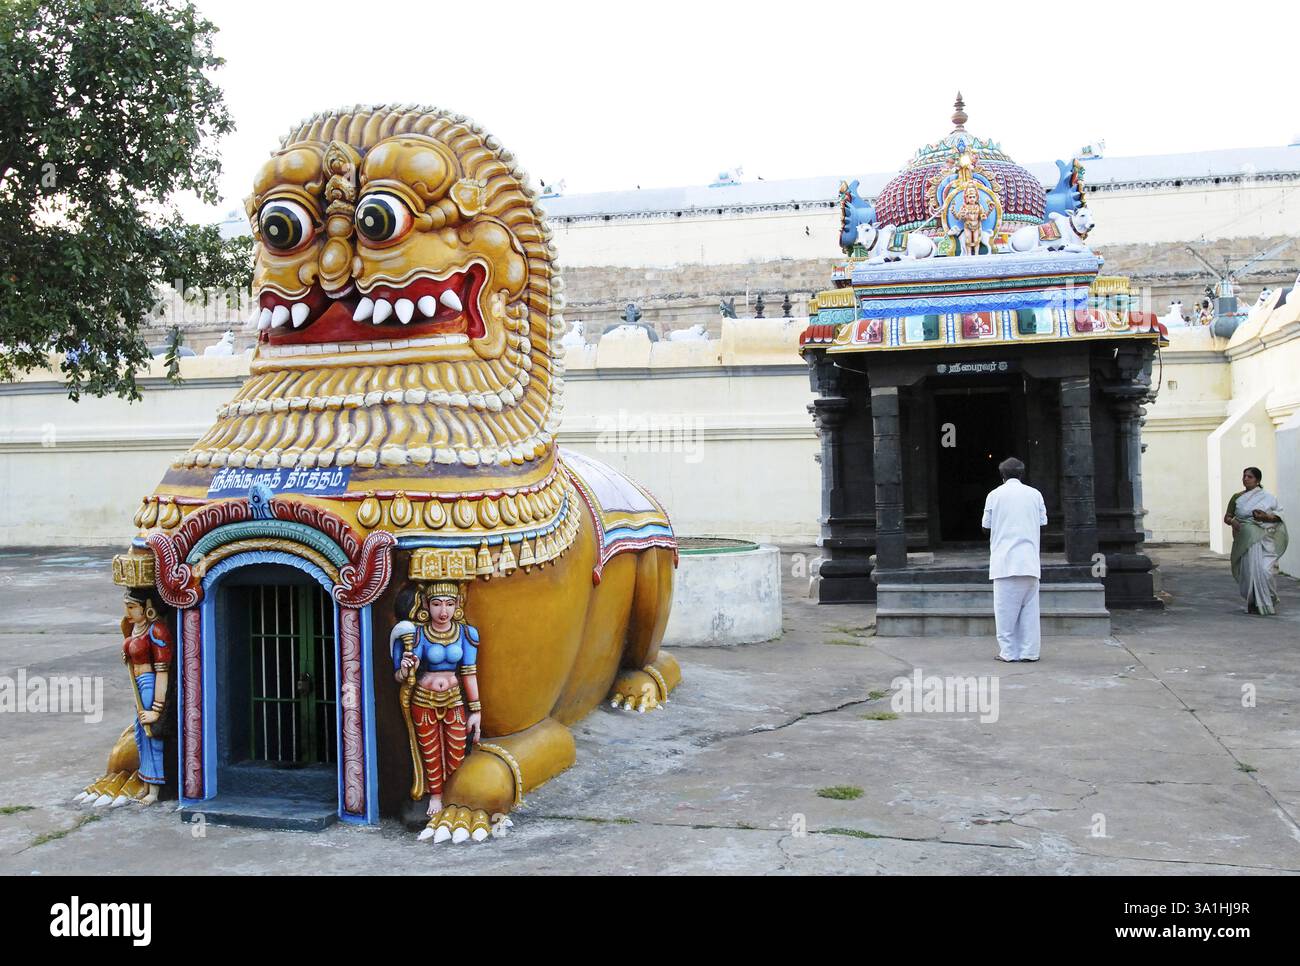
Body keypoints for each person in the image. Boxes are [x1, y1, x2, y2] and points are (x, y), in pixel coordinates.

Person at [391, 581, 482, 831]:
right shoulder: (419, 635)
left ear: (457, 605)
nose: (443, 611)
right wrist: (406, 668)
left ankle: (452, 793)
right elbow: (400, 676)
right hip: (424, 698)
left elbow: (469, 673)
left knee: (455, 750)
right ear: (426, 606)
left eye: (450, 604)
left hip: (453, 698)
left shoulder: (466, 634)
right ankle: (436, 796)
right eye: (437, 604)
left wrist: (476, 710)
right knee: (429, 750)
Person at [981, 457, 1048, 662]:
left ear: (1002, 476)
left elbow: (986, 527)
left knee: (1005, 613)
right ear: (1022, 474)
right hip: (1029, 561)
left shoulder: (994, 495)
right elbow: (1043, 524)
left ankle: (1008, 652)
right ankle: (1030, 652)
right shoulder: (1035, 494)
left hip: (1005, 562)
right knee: (1030, 612)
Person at [121, 589, 173, 803]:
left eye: (132, 607)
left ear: (147, 608)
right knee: (140, 736)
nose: (128, 612)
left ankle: (156, 789)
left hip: (150, 684)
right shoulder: (134, 628)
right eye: (127, 606)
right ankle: (146, 780)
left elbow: (162, 671)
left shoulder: (157, 630)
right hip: (138, 684)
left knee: (152, 734)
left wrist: (156, 710)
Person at [1223, 467, 1289, 615]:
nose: (1245, 479)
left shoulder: (1268, 497)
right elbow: (1227, 517)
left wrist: (1265, 517)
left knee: (1266, 571)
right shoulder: (1236, 497)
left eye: (1250, 477)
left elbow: (1279, 515)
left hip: (1264, 540)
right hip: (1246, 540)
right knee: (1249, 572)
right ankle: (1253, 603)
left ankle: (1269, 599)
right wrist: (1233, 521)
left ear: (1258, 480)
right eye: (1244, 476)